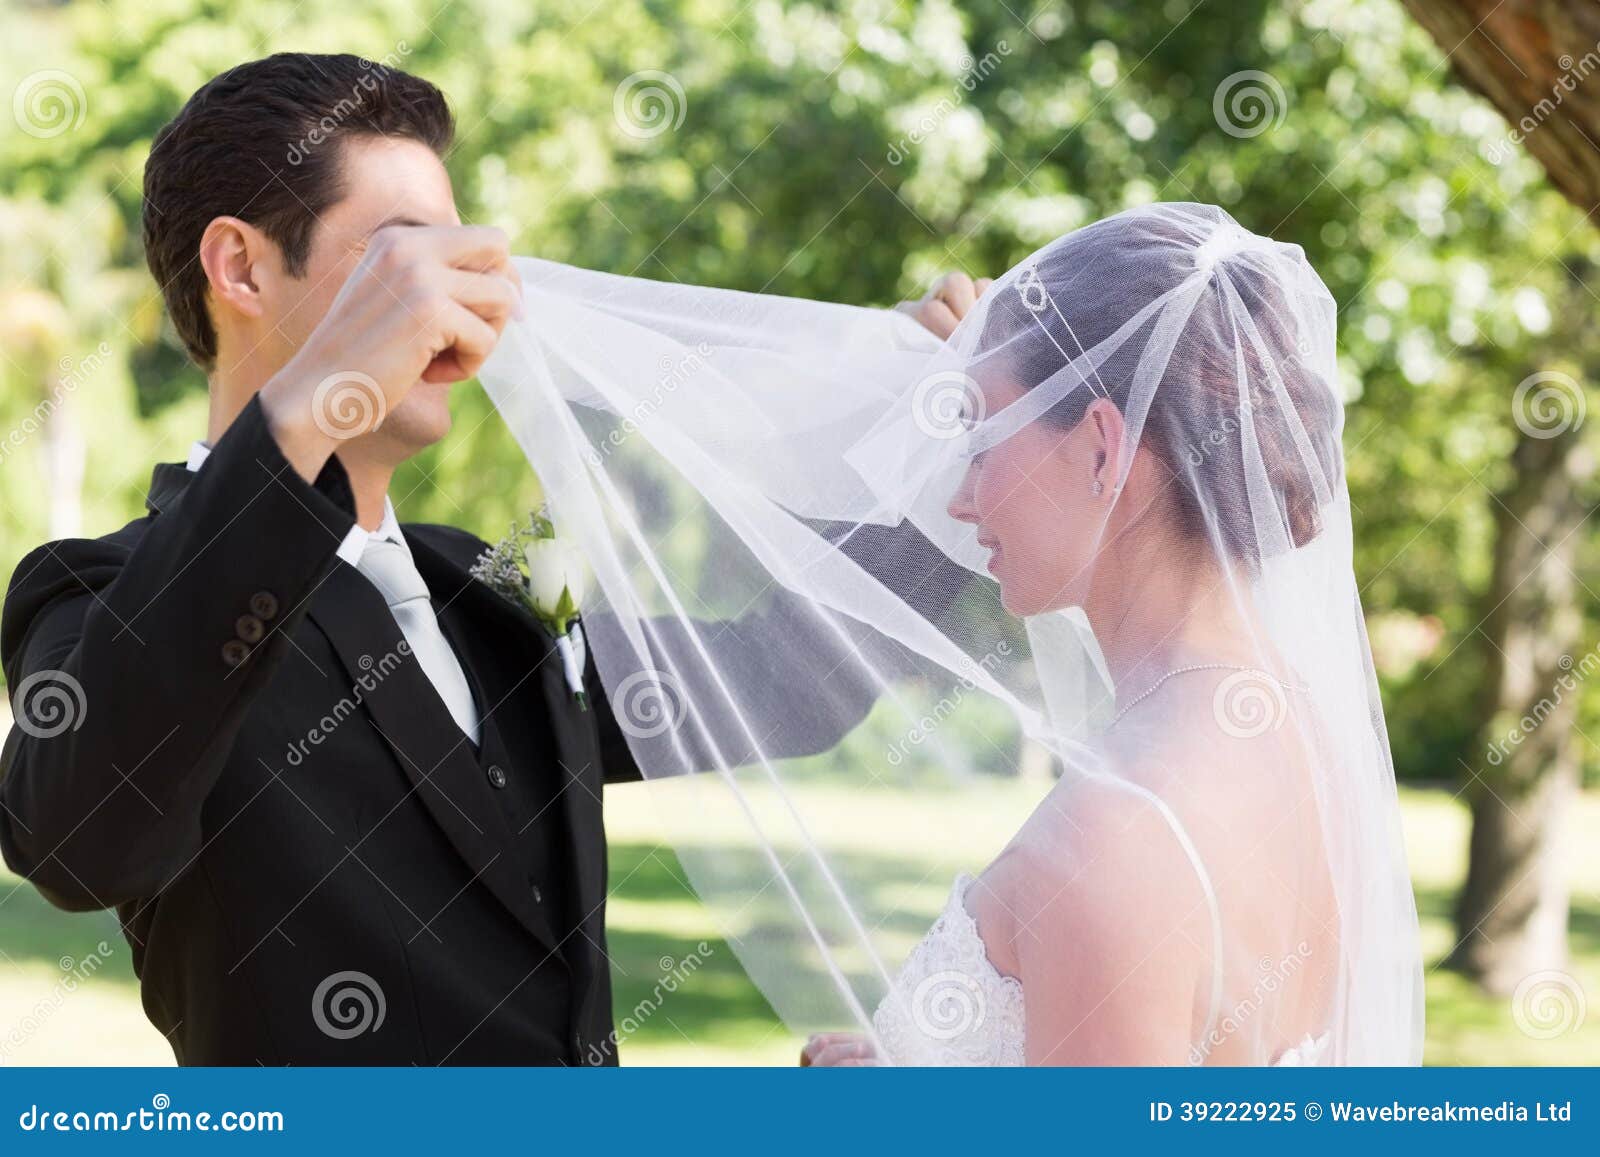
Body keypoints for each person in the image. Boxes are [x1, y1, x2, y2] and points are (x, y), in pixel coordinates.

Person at [482, 203, 1426, 1066]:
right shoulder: (1298, 741)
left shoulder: (1112, 837)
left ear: (1104, 449)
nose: (960, 496)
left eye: (979, 440)